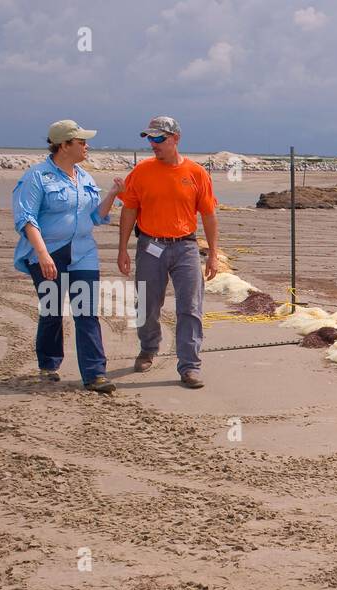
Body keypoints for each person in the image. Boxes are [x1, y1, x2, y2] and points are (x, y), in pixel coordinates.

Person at [12, 120, 123, 393]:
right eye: (81, 142)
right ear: (64, 146)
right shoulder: (36, 177)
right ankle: (49, 364)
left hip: (83, 252)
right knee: (51, 310)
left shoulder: (85, 177)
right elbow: (26, 219)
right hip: (48, 253)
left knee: (86, 312)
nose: (87, 146)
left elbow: (96, 216)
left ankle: (95, 374)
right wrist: (43, 255)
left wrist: (112, 193)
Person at [117, 116, 219, 389]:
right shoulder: (141, 171)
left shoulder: (196, 173)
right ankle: (148, 348)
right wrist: (122, 249)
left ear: (176, 139)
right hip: (150, 245)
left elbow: (209, 215)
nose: (153, 144)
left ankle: (190, 366)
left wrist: (212, 254)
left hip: (186, 246)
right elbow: (128, 210)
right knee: (147, 304)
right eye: (150, 139)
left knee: (190, 307)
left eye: (159, 138)